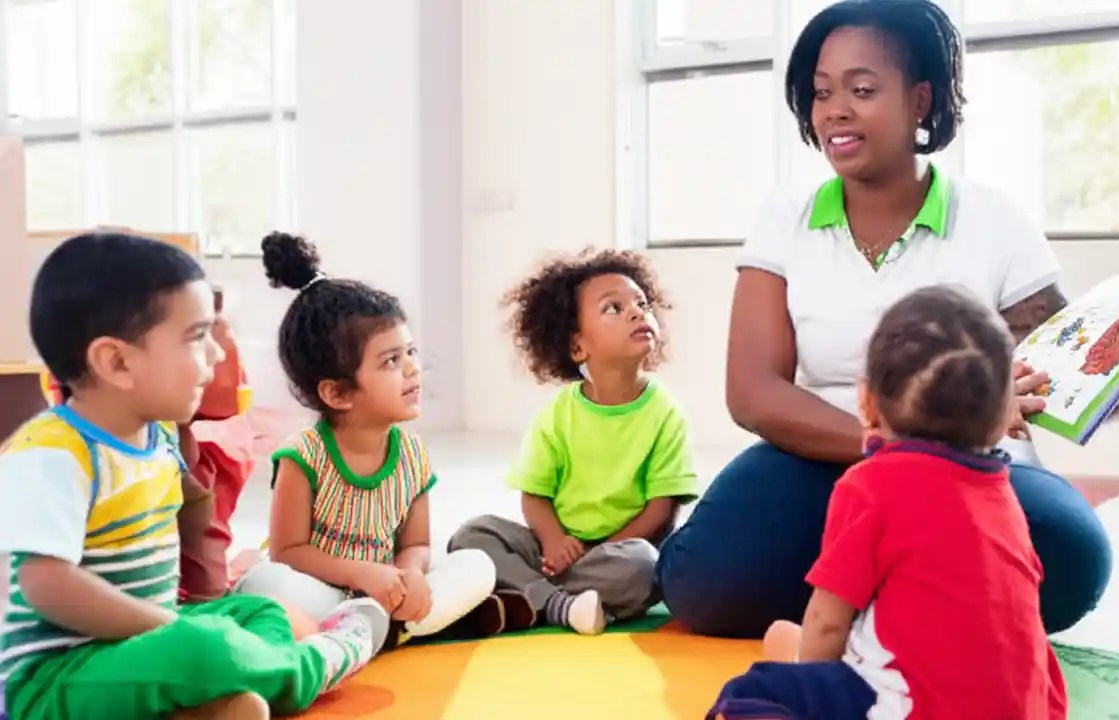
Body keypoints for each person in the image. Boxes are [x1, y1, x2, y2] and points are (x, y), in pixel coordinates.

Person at [657, 0, 1119, 640]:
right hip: (825, 454)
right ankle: (903, 600)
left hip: (970, 463)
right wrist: (886, 449)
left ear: (920, 101)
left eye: (861, 89)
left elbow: (1073, 384)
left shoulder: (994, 220)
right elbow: (753, 394)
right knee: (703, 582)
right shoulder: (786, 217)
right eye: (821, 92)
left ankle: (853, 604)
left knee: (1069, 555)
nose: (834, 109)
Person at [0, 232, 389, 720]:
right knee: (206, 648)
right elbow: (46, 586)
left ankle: (212, 704)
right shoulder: (53, 454)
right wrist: (176, 630)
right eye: (196, 337)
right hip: (56, 677)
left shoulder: (158, 436)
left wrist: (195, 619)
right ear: (116, 361)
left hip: (139, 648)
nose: (218, 356)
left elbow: (196, 516)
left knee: (258, 611)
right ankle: (321, 661)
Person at [708, 286, 1066, 720]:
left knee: (756, 690)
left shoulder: (871, 485)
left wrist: (812, 695)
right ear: (1001, 421)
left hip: (908, 706)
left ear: (866, 404)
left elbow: (828, 620)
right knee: (786, 638)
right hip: (1025, 708)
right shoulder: (1004, 497)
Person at [233, 233, 504, 645]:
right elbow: (289, 552)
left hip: (387, 590)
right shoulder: (303, 455)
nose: (413, 369)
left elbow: (416, 543)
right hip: (323, 590)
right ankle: (396, 627)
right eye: (392, 361)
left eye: (410, 352)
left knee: (476, 565)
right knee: (266, 584)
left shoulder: (412, 454)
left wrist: (408, 575)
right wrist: (364, 574)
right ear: (337, 393)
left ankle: (377, 628)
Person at [449, 249, 698, 635]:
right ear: (579, 347)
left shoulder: (666, 413)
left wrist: (599, 551)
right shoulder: (558, 413)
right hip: (557, 548)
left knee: (643, 566)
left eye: (642, 304)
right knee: (472, 535)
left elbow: (660, 511)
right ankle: (559, 604)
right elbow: (534, 495)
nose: (636, 312)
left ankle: (529, 597)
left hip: (619, 552)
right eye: (613, 308)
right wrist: (552, 541)